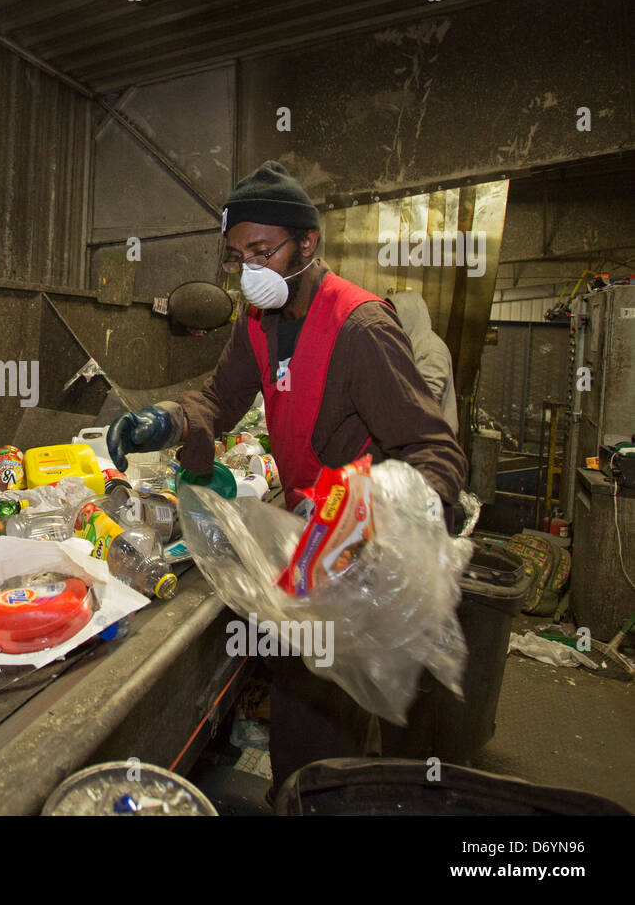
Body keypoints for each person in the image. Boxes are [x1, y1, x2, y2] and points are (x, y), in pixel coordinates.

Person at [105, 160, 468, 799]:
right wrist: (167, 421)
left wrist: (380, 521)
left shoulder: (361, 329)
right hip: (309, 542)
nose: (249, 271)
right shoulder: (258, 322)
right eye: (236, 257)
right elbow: (219, 399)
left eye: (263, 251)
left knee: (314, 733)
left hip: (355, 554)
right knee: (305, 699)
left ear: (307, 243)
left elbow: (433, 452)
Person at [386, 290, 459, 434]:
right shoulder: (410, 344)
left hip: (433, 440)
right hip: (421, 435)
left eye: (395, 316)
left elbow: (427, 401)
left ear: (409, 316)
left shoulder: (430, 348)